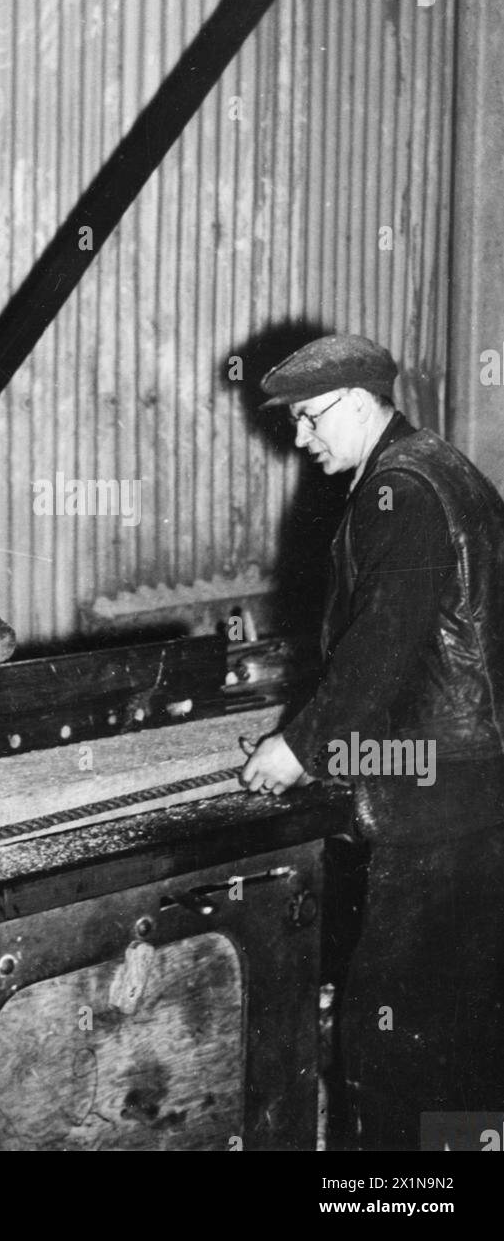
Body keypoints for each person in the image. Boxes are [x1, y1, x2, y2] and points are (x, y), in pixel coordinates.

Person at [240, 333, 504, 1151]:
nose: (302, 439)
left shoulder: (401, 489)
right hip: (462, 763)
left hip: (438, 785)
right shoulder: (442, 465)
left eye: (311, 420)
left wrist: (300, 749)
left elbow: (380, 649)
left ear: (358, 404)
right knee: (460, 1028)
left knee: (394, 1032)